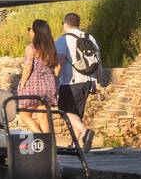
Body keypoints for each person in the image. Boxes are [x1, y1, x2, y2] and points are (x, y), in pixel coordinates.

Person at [55, 12, 100, 151]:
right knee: (76, 114)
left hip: (70, 81)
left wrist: (55, 77)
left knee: (64, 110)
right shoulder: (89, 37)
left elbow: (60, 62)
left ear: (65, 24)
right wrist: (97, 79)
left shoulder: (63, 40)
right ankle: (75, 145)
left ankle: (86, 132)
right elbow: (97, 60)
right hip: (88, 80)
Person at [17, 19, 60, 133]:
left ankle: (40, 137)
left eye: (30, 29)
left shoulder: (31, 48)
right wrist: (53, 79)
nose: (29, 31)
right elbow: (57, 67)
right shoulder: (51, 48)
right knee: (42, 116)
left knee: (24, 114)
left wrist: (22, 83)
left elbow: (27, 67)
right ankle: (48, 144)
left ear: (36, 32)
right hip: (49, 85)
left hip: (34, 85)